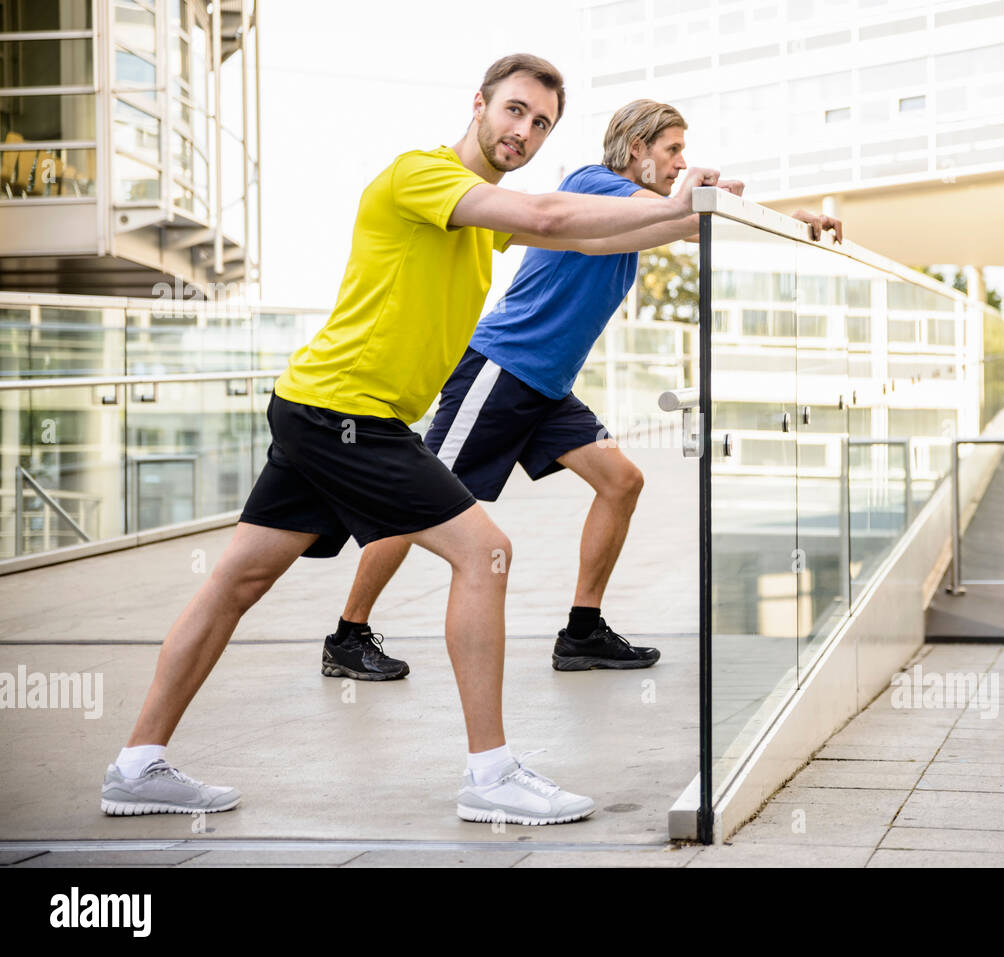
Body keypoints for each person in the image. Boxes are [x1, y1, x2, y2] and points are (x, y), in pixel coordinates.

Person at [99, 54, 721, 827]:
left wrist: (705, 212)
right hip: (345, 414)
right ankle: (490, 774)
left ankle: (135, 764)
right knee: (483, 550)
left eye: (540, 124)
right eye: (515, 112)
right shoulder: (420, 175)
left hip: (320, 406)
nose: (523, 132)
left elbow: (589, 241)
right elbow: (554, 220)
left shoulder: (476, 216)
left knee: (235, 582)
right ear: (480, 104)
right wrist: (683, 207)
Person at [322, 99, 843, 679]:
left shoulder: (638, 218)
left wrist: (793, 223)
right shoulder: (593, 184)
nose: (679, 162)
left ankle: (582, 632)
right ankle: (348, 634)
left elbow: (699, 223)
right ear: (637, 149)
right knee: (417, 503)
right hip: (499, 370)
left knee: (622, 482)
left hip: (546, 388)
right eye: (672, 150)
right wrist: (712, 200)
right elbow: (687, 211)